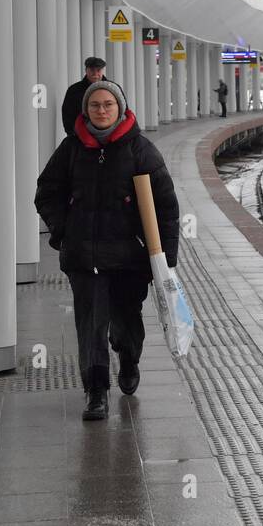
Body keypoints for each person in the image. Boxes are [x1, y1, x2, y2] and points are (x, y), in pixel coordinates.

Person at [35, 80, 180, 421]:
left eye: (108, 105)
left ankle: (129, 358)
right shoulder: (71, 149)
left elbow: (166, 209)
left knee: (126, 323)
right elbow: (46, 192)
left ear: (120, 108)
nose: (101, 110)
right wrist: (63, 232)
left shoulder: (140, 150)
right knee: (91, 326)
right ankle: (96, 391)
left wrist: (165, 262)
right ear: (86, 110)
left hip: (129, 260)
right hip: (84, 258)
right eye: (95, 105)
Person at [61, 56, 106, 137]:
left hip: (108, 137)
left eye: (98, 70)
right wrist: (73, 134)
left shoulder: (114, 89)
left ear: (102, 71)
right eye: (92, 70)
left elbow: (123, 111)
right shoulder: (74, 90)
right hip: (81, 138)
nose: (95, 74)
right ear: (86, 71)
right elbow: (67, 114)